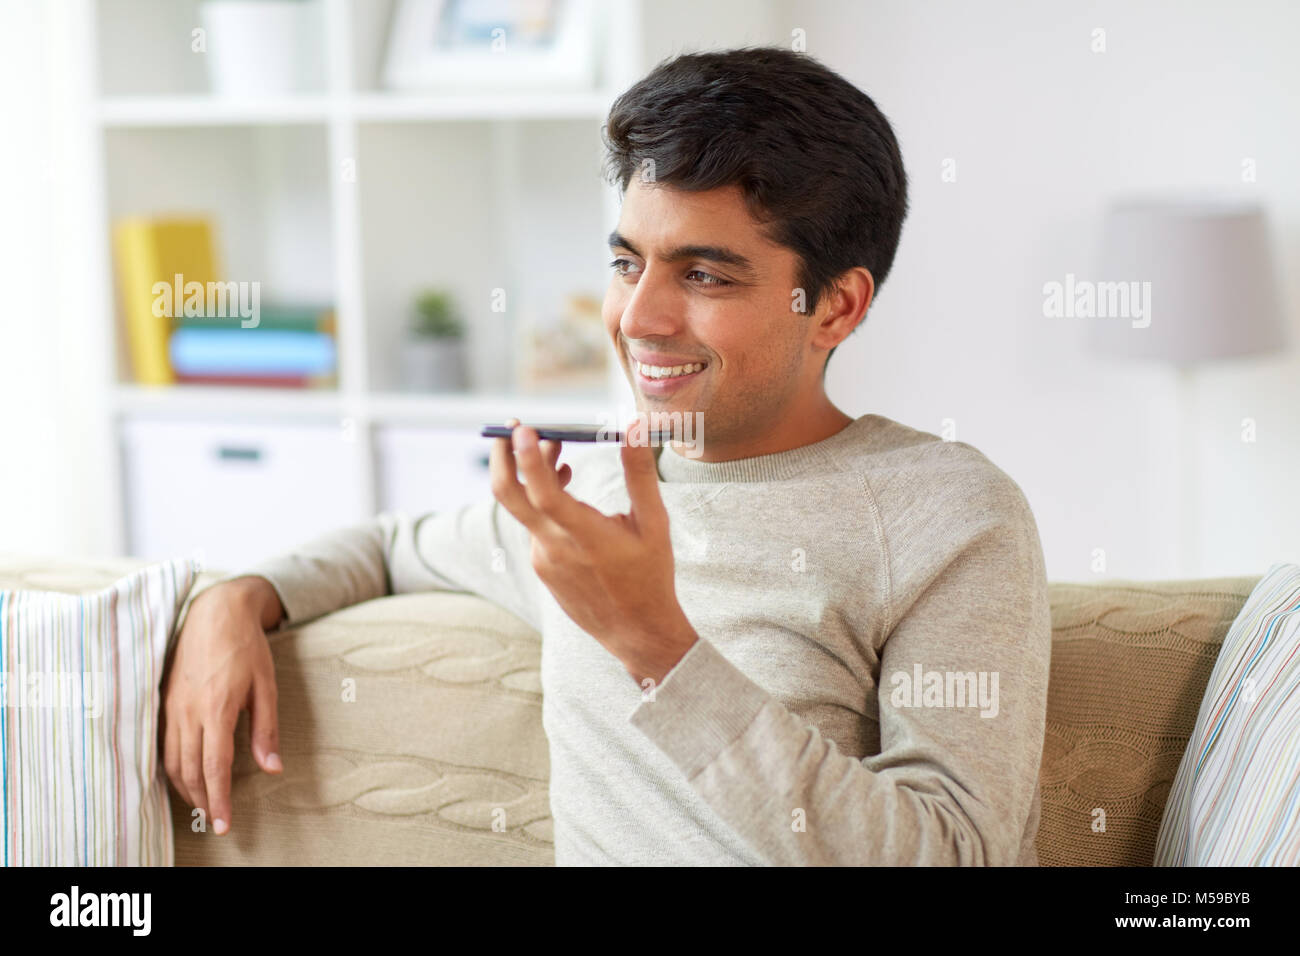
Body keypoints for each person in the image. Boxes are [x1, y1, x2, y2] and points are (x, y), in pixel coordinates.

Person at [162, 46, 1052, 865]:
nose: (637, 318)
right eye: (629, 263)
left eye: (705, 275)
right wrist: (235, 601)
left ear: (834, 309)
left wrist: (659, 648)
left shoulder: (949, 515)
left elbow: (953, 853)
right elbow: (391, 549)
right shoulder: (583, 503)